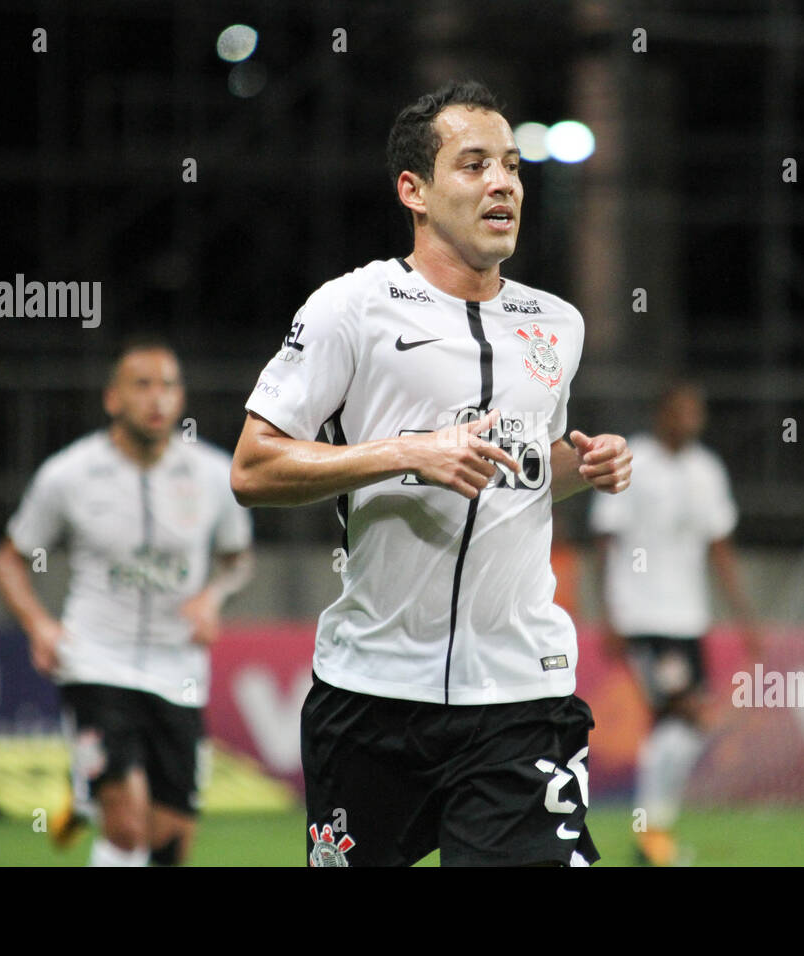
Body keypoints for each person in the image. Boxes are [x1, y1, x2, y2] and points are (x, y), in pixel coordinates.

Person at [230, 79, 632, 867]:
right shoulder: (354, 308)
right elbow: (254, 465)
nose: (503, 183)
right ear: (413, 189)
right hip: (373, 696)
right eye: (475, 164)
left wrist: (581, 465)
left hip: (522, 696)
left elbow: (517, 474)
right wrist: (407, 452)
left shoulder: (558, 324)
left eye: (513, 166)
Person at [0, 336, 254, 866]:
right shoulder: (69, 475)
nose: (157, 398)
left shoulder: (210, 474)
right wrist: (38, 625)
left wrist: (212, 598)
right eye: (142, 385)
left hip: (178, 669)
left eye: (169, 385)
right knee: (128, 822)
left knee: (170, 842)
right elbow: (11, 559)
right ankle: (100, 795)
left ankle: (88, 798)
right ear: (113, 398)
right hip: (95, 662)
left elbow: (239, 559)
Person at [589, 383, 761, 866]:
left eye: (696, 412)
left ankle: (652, 833)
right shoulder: (634, 460)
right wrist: (607, 615)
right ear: (661, 413)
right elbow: (605, 538)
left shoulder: (707, 470)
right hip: (642, 615)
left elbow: (719, 547)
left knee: (683, 726)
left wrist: (744, 617)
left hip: (689, 617)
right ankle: (652, 833)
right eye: (681, 411)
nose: (690, 420)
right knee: (685, 714)